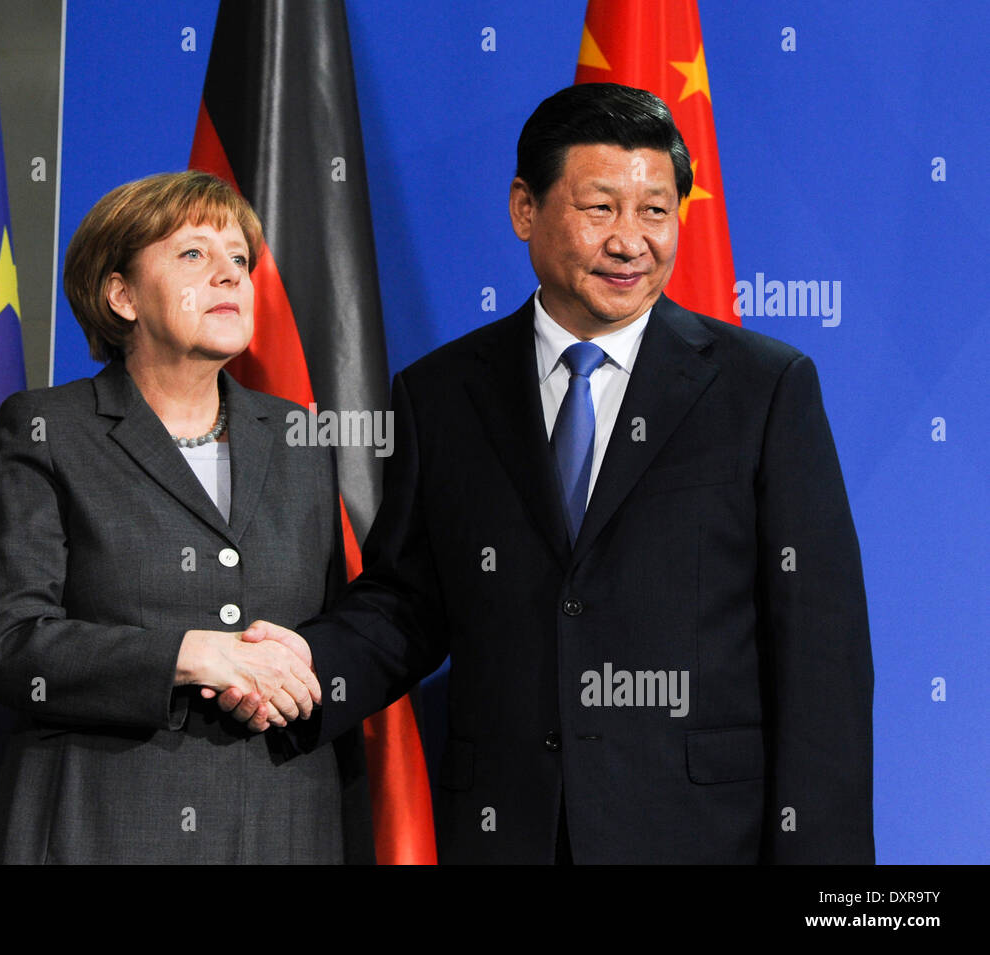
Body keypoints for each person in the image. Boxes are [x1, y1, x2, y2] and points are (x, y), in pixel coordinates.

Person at [226, 83, 874, 864]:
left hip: (699, 836)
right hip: (506, 829)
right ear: (524, 209)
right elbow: (409, 601)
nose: (631, 241)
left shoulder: (762, 389)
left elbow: (821, 656)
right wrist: (300, 668)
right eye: (601, 208)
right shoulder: (441, 393)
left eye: (656, 212)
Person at [0, 170, 368, 863]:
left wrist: (308, 664)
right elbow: (11, 641)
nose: (229, 276)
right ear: (121, 295)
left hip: (283, 825)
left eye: (239, 260)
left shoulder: (301, 438)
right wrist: (187, 654)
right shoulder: (48, 428)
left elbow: (337, 622)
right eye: (193, 255)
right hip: (105, 825)